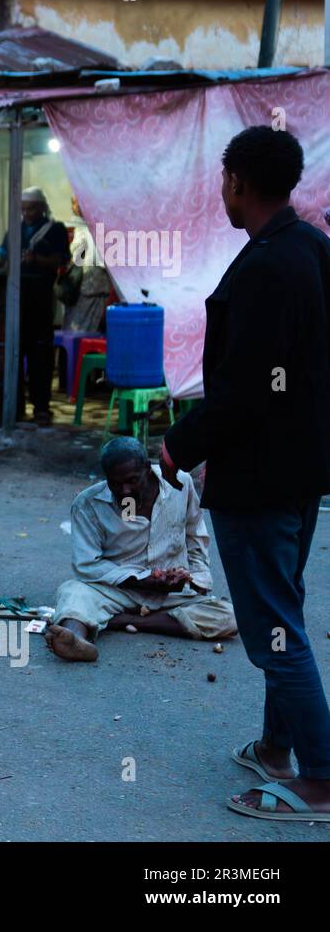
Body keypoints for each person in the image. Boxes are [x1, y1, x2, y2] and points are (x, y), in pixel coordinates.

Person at [160, 126, 330, 823]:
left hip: (260, 472)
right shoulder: (312, 248)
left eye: (223, 178)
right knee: (281, 612)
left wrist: (179, 443)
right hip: (299, 466)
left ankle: (319, 781)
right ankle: (276, 747)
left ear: (238, 182)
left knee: (272, 628)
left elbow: (248, 388)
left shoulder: (268, 265)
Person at [44, 437, 235, 663]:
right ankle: (75, 639)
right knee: (74, 592)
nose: (125, 490)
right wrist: (142, 580)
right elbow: (87, 564)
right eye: (116, 483)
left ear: (147, 468)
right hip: (118, 591)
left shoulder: (180, 484)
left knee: (229, 616)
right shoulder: (87, 504)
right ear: (106, 477)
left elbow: (195, 536)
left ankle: (120, 621)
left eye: (132, 480)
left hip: (171, 594)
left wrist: (196, 579)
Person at [0, 187, 69, 425]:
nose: (28, 213)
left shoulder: (56, 229)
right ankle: (15, 407)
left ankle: (41, 408)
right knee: (14, 352)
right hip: (15, 300)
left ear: (43, 207)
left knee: (40, 356)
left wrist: (37, 260)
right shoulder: (16, 228)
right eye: (24, 209)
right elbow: (1, 252)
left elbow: (62, 259)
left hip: (41, 299)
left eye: (32, 208)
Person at [60, 194, 112, 333]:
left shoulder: (90, 225)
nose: (77, 207)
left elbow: (77, 251)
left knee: (81, 329)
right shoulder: (85, 225)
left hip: (91, 285)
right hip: (87, 285)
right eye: (75, 204)